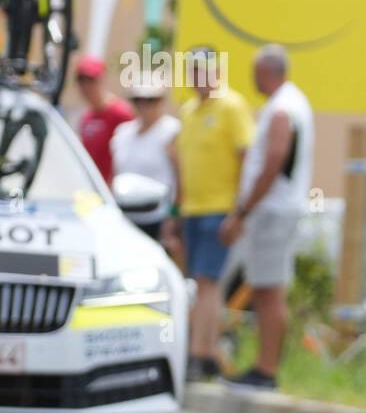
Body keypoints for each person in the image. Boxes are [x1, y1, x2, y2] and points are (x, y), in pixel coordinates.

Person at [220, 44, 314, 391]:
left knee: (268, 290)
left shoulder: (281, 108)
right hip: (277, 209)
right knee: (265, 288)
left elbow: (274, 158)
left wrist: (244, 209)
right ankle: (264, 367)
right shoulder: (292, 102)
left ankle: (266, 369)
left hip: (273, 210)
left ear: (265, 72)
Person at [176, 46, 255, 382]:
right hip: (192, 207)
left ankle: (198, 354)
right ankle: (207, 352)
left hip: (219, 208)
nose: (198, 77)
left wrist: (239, 210)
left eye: (203, 69)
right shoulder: (189, 110)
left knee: (207, 283)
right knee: (202, 283)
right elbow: (183, 163)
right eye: (193, 70)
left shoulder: (231, 106)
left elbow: (246, 156)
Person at [110, 73, 181, 242]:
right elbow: (115, 174)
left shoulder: (171, 131)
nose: (144, 106)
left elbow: (180, 178)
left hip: (157, 218)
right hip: (124, 216)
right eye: (138, 100)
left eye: (150, 100)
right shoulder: (122, 133)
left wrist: (174, 216)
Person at [75, 55, 134, 185]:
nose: (86, 86)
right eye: (81, 81)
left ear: (101, 80)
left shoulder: (120, 113)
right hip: (90, 188)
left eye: (91, 80)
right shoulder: (86, 117)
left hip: (113, 191)